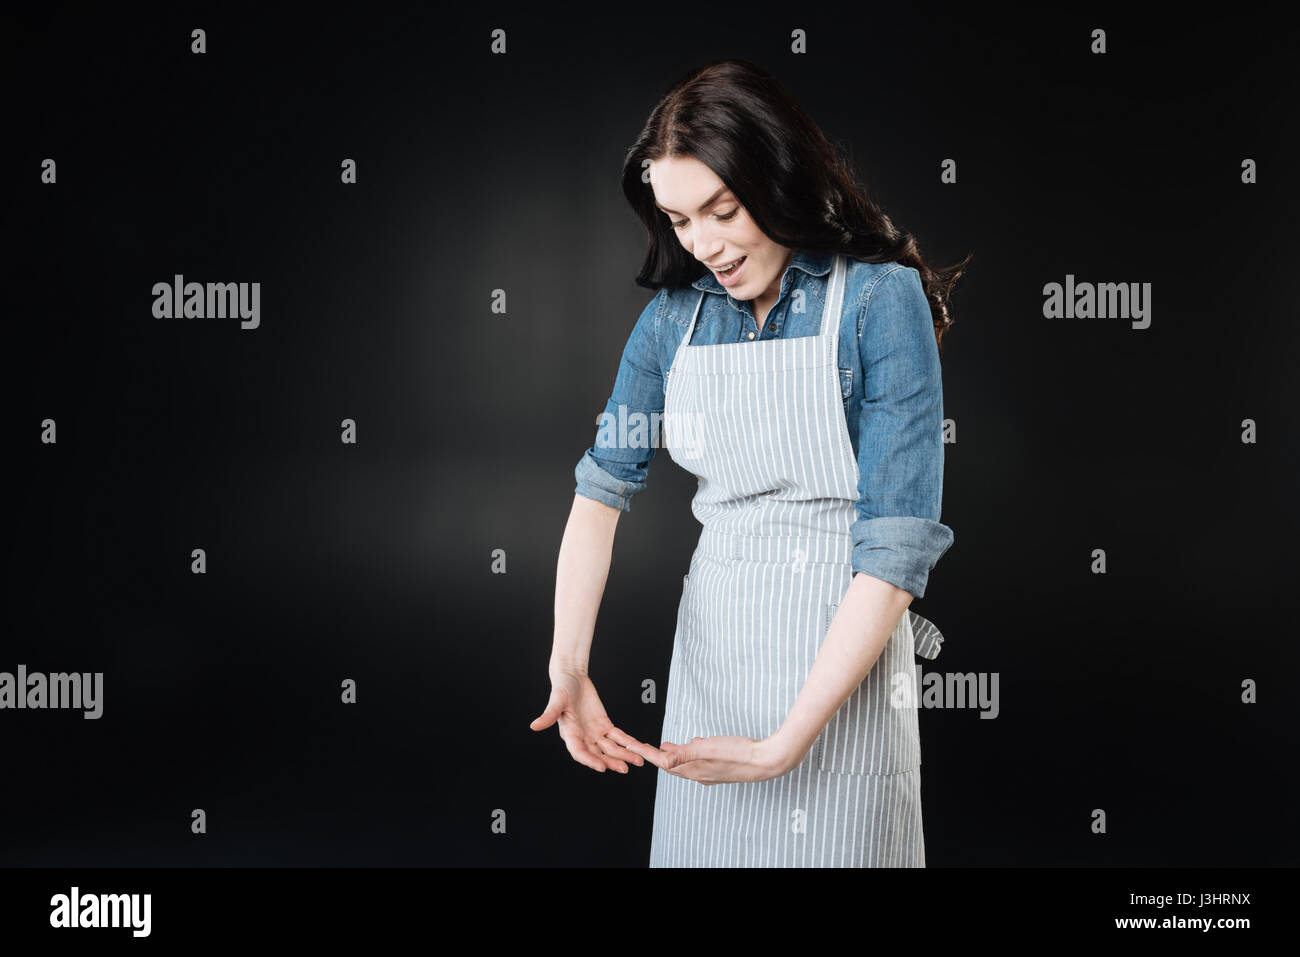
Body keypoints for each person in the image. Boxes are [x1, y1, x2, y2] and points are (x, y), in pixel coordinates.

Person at [531, 58, 970, 867]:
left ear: (778, 177)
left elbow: (896, 547)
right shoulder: (671, 323)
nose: (704, 246)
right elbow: (599, 492)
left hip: (844, 682)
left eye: (722, 211)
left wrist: (782, 744)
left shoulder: (879, 300)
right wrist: (570, 665)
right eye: (680, 220)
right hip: (714, 667)